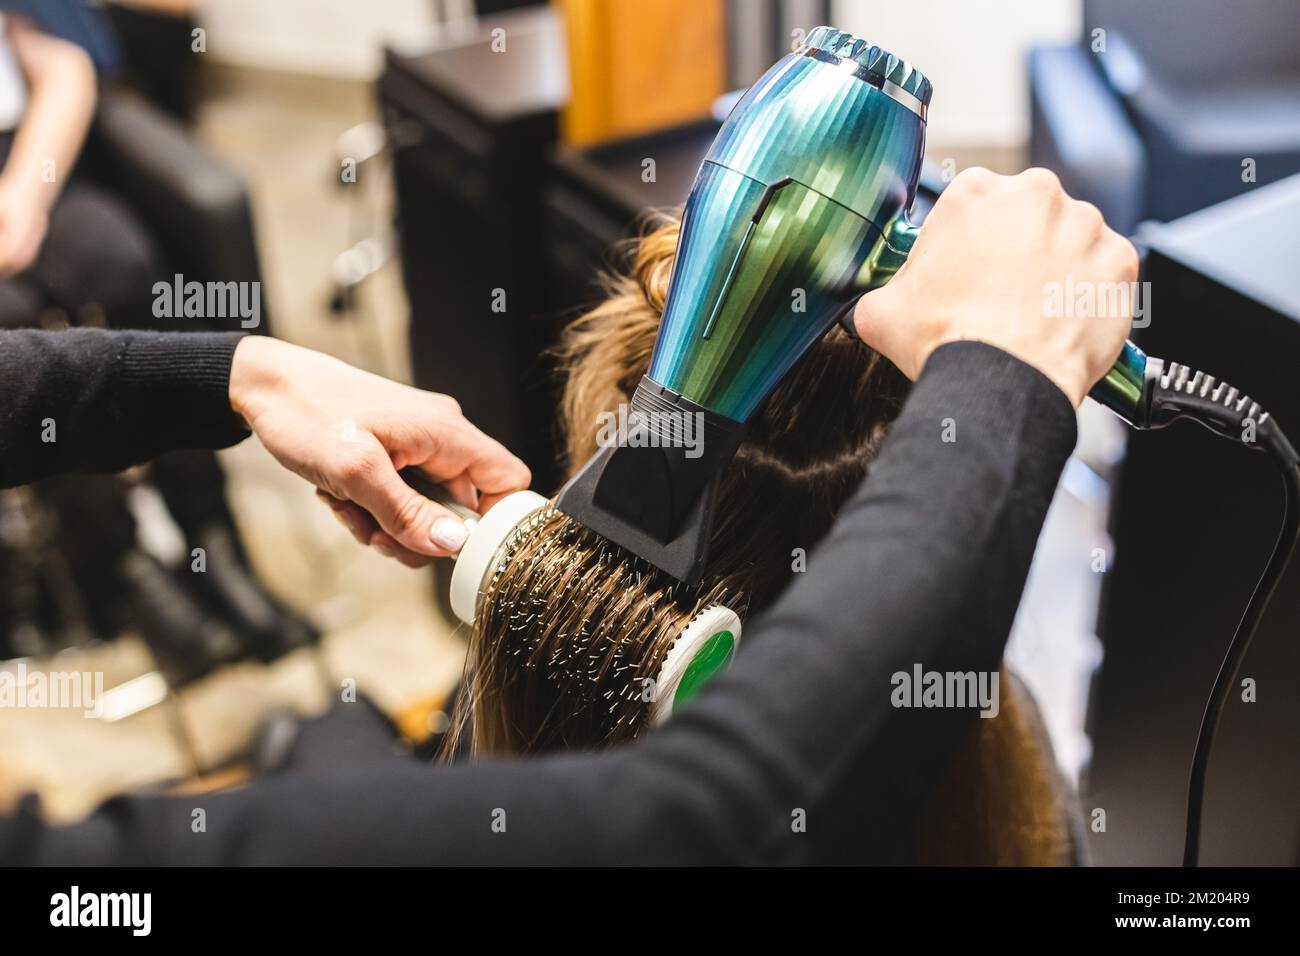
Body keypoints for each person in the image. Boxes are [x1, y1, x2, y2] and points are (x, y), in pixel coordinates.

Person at [0, 168, 1137, 864]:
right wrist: (995, 377)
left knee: (321, 734)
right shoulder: (1016, 784)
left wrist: (227, 374)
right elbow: (717, 823)